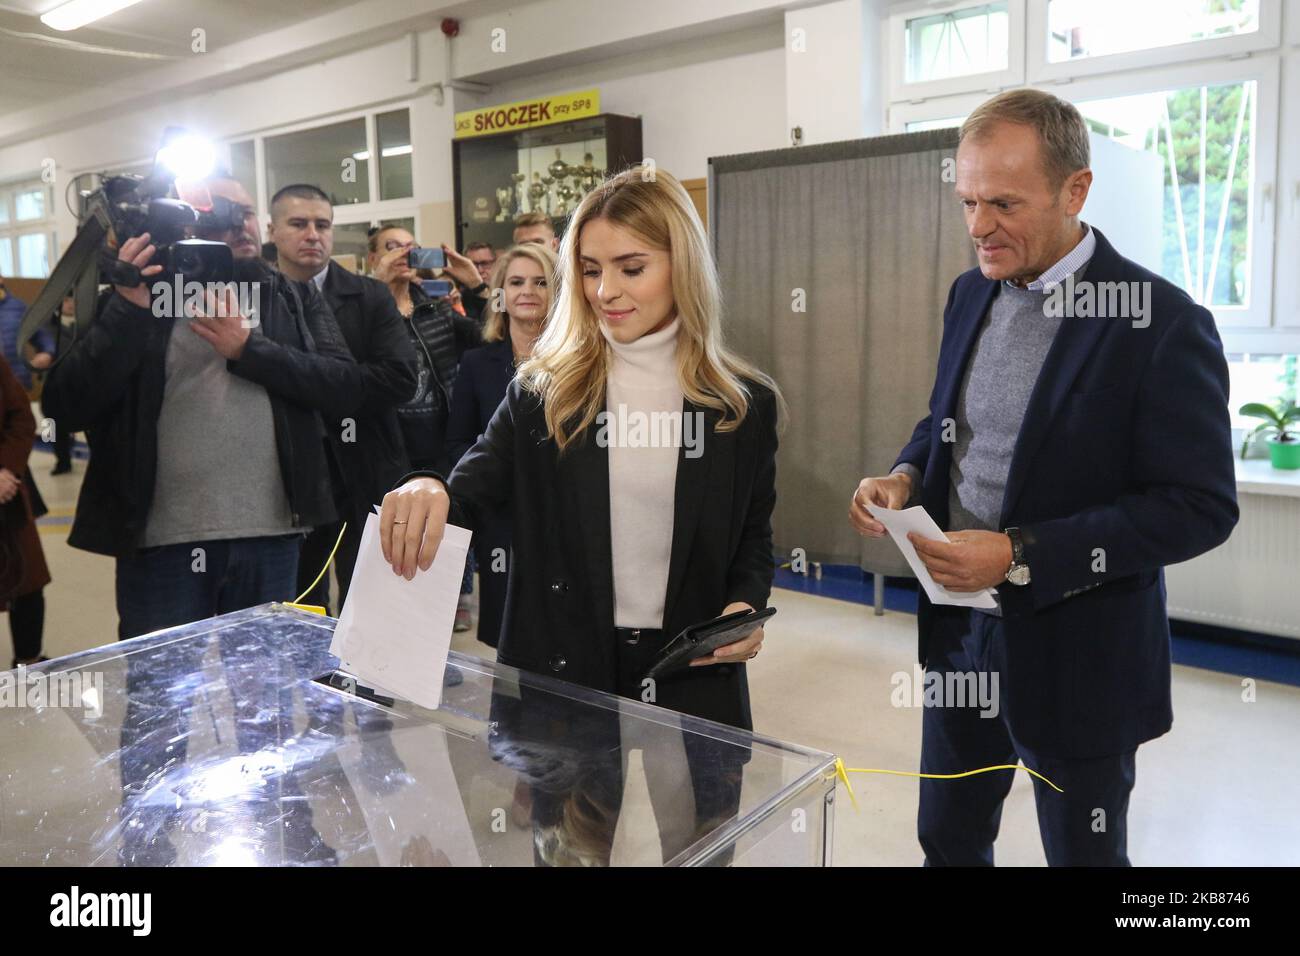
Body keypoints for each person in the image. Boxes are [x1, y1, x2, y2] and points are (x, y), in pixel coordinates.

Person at [849, 89, 1239, 867]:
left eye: (1002, 203)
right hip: (959, 633)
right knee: (949, 838)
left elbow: (1198, 507)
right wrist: (905, 474)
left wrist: (1021, 551)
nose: (978, 227)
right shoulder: (971, 293)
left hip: (1079, 651)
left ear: (1076, 190)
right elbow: (950, 425)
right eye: (966, 202)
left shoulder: (1160, 324)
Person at [379, 167, 781, 859]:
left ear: (681, 264)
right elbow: (465, 488)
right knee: (569, 853)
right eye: (590, 269)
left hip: (691, 671)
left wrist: (746, 604)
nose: (605, 291)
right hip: (566, 670)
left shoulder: (741, 403)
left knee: (702, 851)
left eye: (631, 267)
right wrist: (423, 486)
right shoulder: (543, 392)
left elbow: (752, 535)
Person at [42, 174, 364, 640]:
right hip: (162, 544)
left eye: (247, 213)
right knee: (162, 702)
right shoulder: (138, 295)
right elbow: (63, 407)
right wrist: (128, 309)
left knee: (265, 697)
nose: (241, 225)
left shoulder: (288, 294)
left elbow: (344, 387)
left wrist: (249, 350)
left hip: (273, 536)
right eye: (221, 214)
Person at [268, 184, 416, 612]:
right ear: (273, 230)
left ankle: (366, 681)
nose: (312, 234)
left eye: (322, 225)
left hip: (365, 470)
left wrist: (311, 379)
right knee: (300, 605)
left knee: (369, 603)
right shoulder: (257, 298)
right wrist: (346, 382)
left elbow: (399, 378)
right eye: (298, 224)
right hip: (290, 480)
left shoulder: (368, 296)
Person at [446, 242, 557, 647]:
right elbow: (458, 442)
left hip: (564, 516)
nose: (528, 290)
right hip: (501, 518)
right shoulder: (476, 364)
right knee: (509, 639)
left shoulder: (579, 361)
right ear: (500, 295)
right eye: (516, 282)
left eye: (541, 281)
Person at [367, 225, 481, 477]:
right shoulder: (361, 309)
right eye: (393, 247)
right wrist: (377, 288)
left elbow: (490, 337)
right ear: (373, 259)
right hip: (387, 446)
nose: (404, 254)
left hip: (442, 442)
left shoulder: (434, 306)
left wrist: (478, 286)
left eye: (412, 249)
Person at [0, 354, 51, 668]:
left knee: (28, 581)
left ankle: (29, 661)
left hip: (6, 496)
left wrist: (6, 468)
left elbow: (22, 418)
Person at [0, 275, 55, 393]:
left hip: (18, 384)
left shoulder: (18, 307)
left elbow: (42, 335)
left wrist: (47, 352)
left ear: (1, 279)